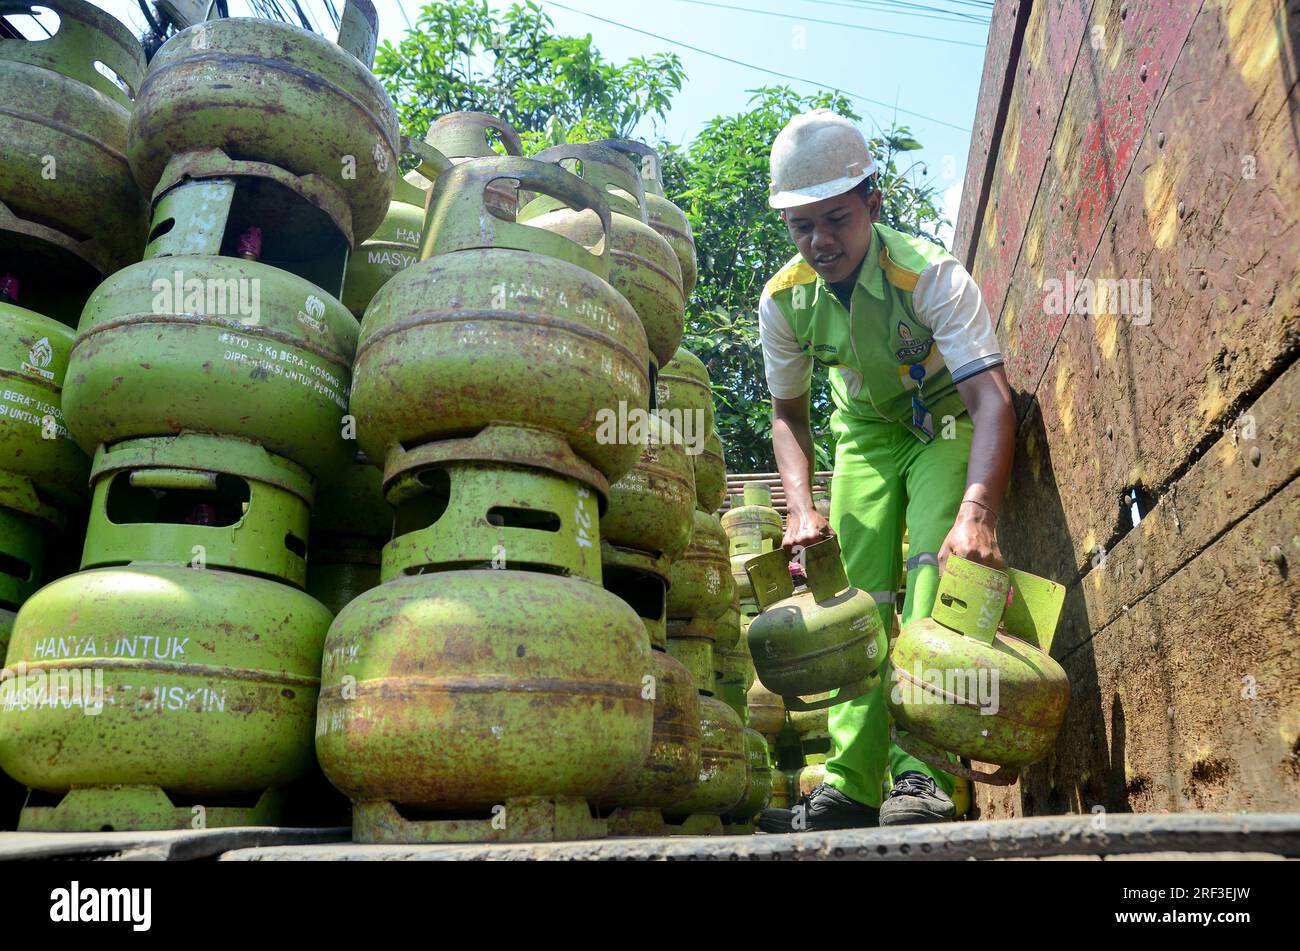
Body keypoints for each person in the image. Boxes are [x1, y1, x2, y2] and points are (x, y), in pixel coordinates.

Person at [755, 110, 1015, 830]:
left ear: (871, 203)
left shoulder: (928, 276)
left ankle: (925, 778)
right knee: (854, 600)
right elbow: (788, 416)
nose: (819, 241)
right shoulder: (782, 301)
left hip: (944, 423)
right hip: (864, 437)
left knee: (936, 568)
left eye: (835, 218)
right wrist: (801, 508)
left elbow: (992, 400)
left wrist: (979, 512)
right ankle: (851, 784)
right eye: (801, 226)